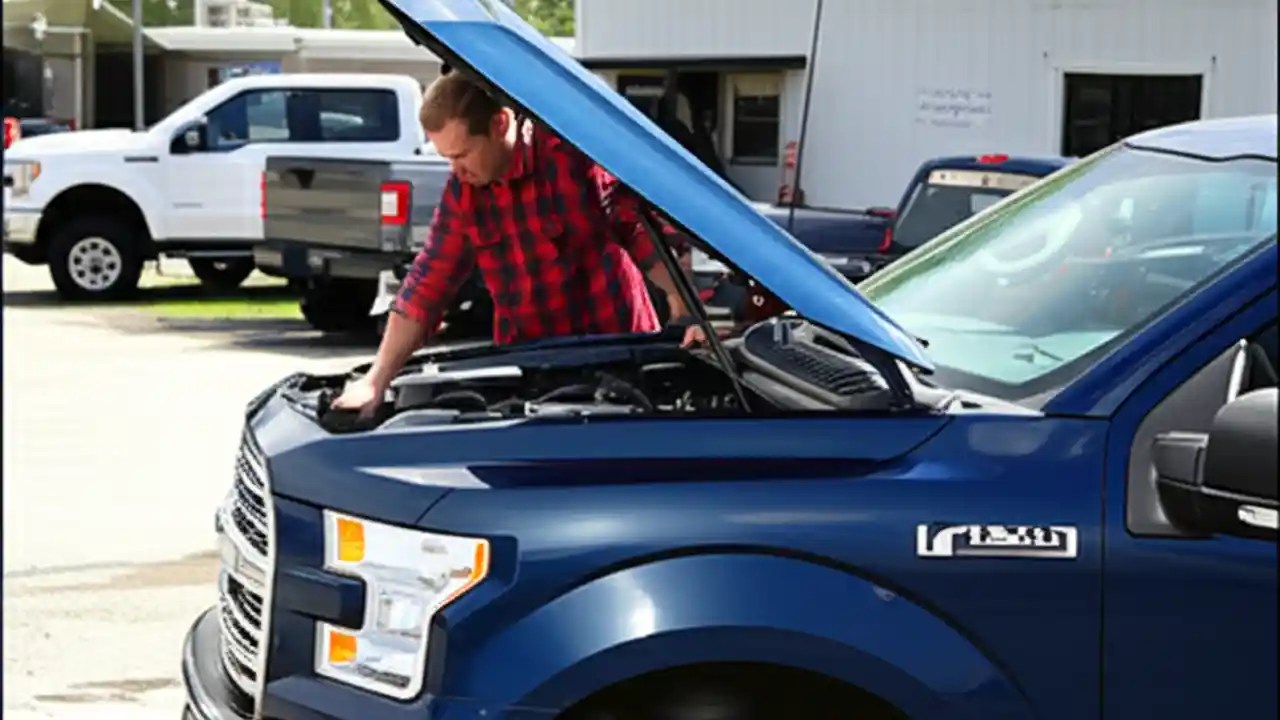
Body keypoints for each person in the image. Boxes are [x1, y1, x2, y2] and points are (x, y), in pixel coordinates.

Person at [332, 71, 704, 416]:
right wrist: (375, 380)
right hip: (531, 372)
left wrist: (685, 309)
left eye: (461, 154)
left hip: (617, 365)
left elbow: (642, 233)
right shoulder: (464, 193)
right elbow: (427, 284)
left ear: (500, 124)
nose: (455, 171)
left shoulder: (573, 157)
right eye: (446, 158)